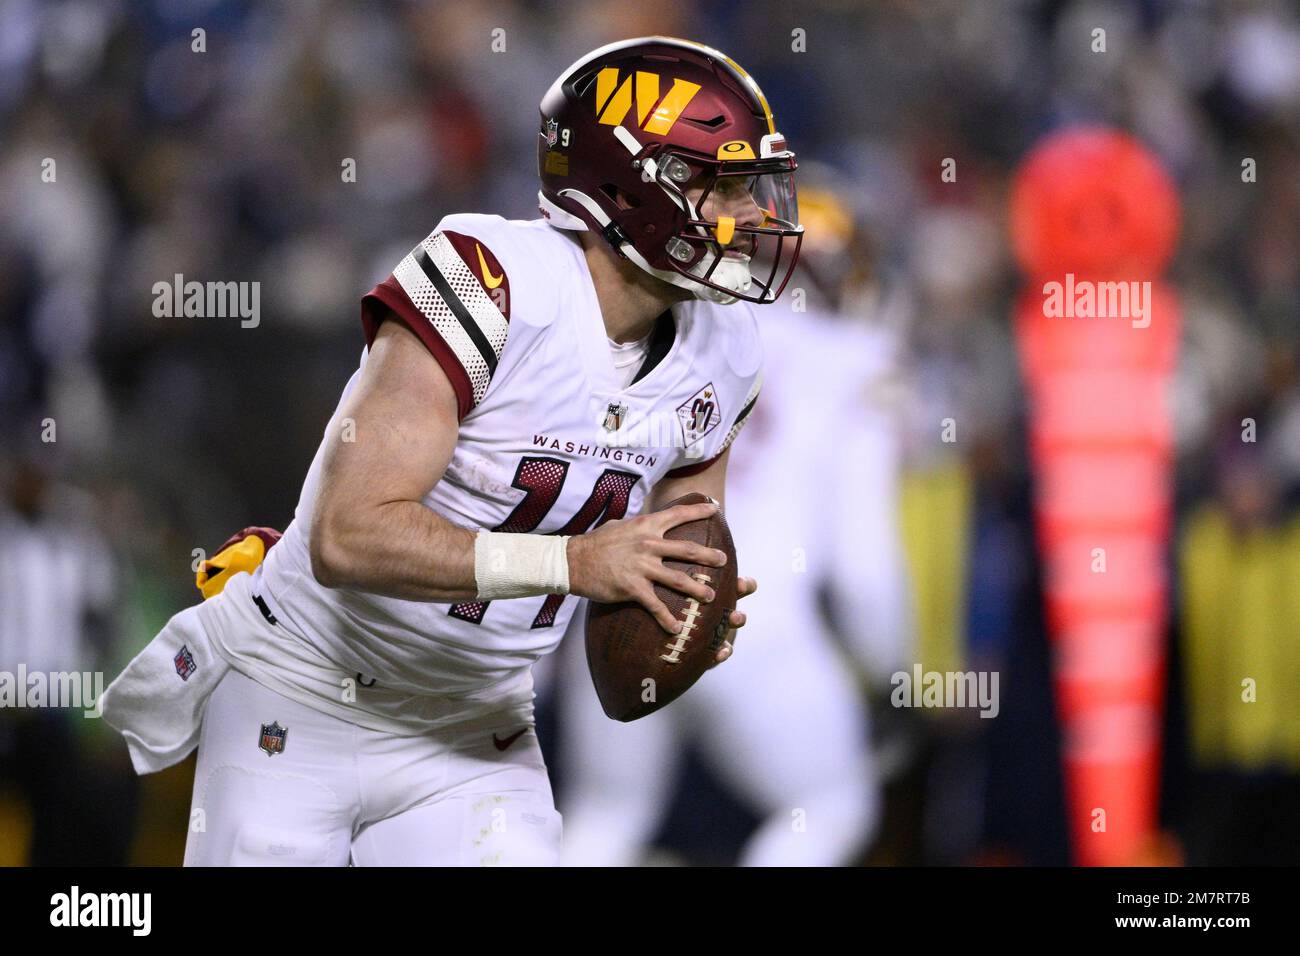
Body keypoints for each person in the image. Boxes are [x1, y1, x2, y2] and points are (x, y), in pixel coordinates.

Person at [101, 36, 803, 866]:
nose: (753, 216)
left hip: (474, 725)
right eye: (721, 187)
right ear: (633, 184)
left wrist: (680, 612)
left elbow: (658, 580)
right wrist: (575, 564)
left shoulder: (726, 350)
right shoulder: (489, 279)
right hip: (300, 688)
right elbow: (346, 534)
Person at [555, 187, 911, 865]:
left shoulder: (660, 324)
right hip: (752, 620)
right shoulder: (854, 363)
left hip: (616, 602)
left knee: (606, 816)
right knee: (829, 808)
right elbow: (866, 567)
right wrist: (893, 671)